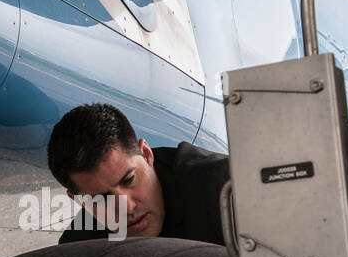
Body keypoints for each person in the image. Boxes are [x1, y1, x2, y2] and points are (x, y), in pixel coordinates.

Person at [46, 103, 229, 244]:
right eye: (101, 199)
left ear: (147, 155)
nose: (126, 208)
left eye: (129, 180)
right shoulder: (80, 249)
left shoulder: (226, 192)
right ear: (79, 201)